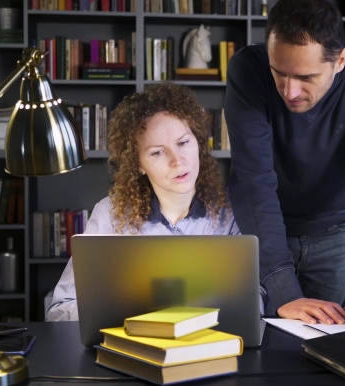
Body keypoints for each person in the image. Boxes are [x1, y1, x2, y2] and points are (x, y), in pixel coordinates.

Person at [225, 0, 345, 326]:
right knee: (265, 347)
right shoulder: (248, 70)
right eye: (279, 72)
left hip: (335, 231)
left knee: (325, 348)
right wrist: (281, 287)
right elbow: (253, 181)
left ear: (340, 61)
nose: (289, 92)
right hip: (264, 231)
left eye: (306, 78)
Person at [46, 82, 240, 321]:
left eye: (183, 143)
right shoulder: (110, 215)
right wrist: (128, 312)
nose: (177, 161)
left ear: (198, 142)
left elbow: (254, 301)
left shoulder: (231, 213)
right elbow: (60, 310)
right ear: (138, 164)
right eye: (158, 152)